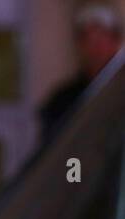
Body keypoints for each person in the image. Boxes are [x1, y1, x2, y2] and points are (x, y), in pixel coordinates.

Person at [38, 4, 123, 142]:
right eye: (90, 40)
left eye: (102, 39)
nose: (96, 48)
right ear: (80, 46)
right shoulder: (63, 100)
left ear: (116, 43)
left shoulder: (120, 95)